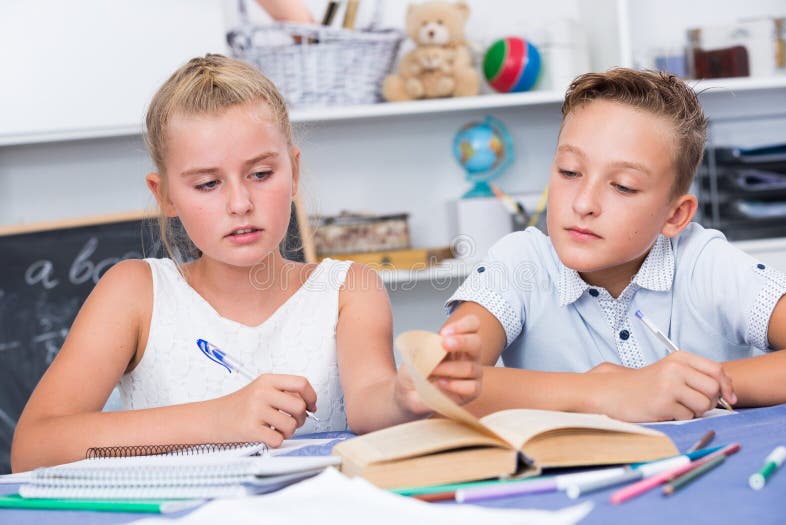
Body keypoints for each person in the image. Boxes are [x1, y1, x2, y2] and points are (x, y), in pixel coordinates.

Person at [11, 54, 482, 472]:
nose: (240, 203)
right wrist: (218, 418)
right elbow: (34, 448)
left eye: (260, 174)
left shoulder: (349, 288)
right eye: (207, 184)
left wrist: (407, 394)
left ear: (293, 172)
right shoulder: (133, 292)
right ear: (166, 195)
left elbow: (369, 403)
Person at [442, 68, 786, 422]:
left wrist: (687, 385)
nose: (583, 203)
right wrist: (604, 393)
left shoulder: (704, 263)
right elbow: (442, 383)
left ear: (674, 216)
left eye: (623, 186)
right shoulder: (519, 263)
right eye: (569, 172)